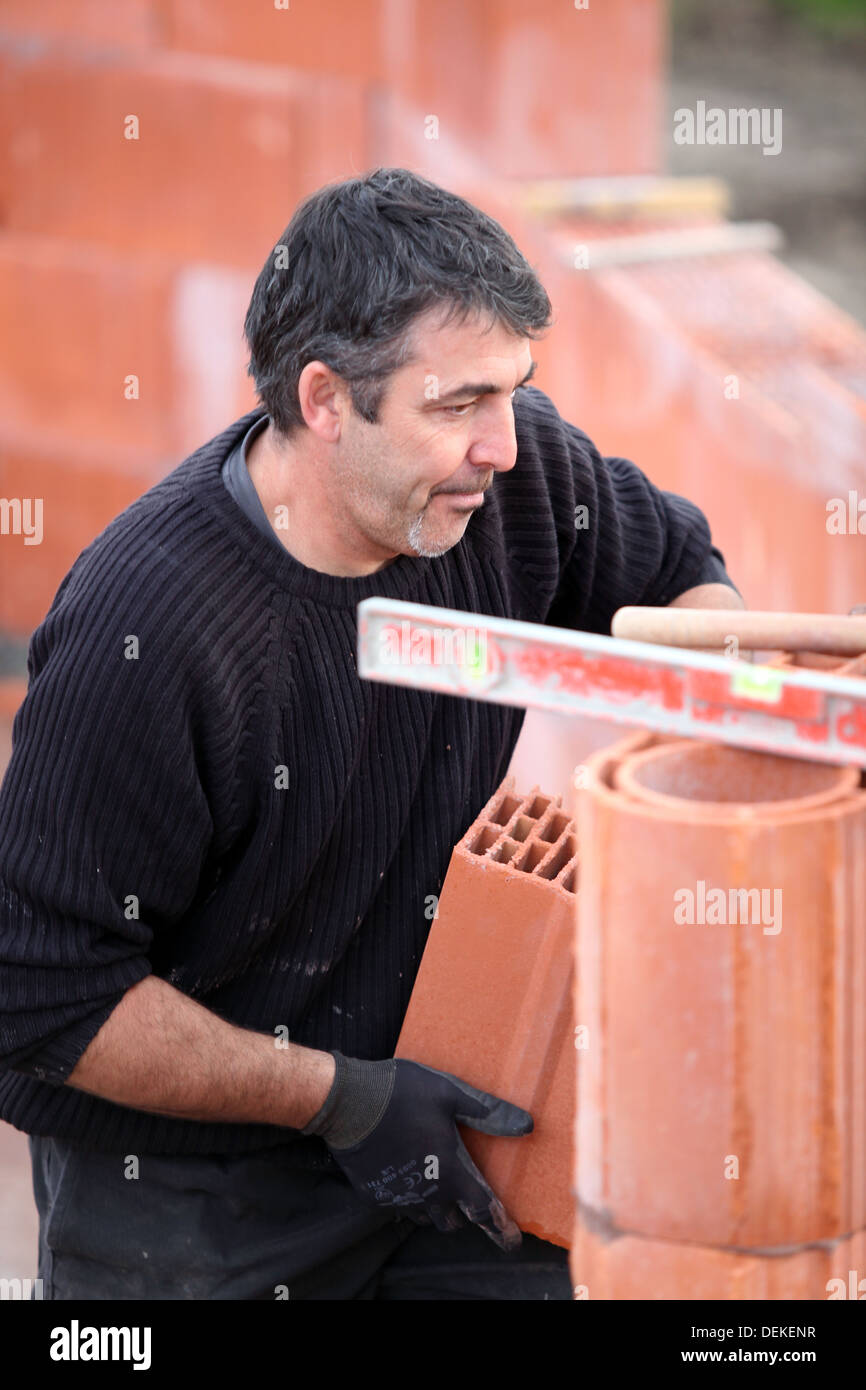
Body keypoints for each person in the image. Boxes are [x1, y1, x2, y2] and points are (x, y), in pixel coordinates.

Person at [0, 167, 744, 1301]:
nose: (502, 441)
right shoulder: (146, 630)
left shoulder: (507, 476)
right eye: (456, 405)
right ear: (325, 401)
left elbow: (674, 574)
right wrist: (342, 1097)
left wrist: (735, 717)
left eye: (514, 391)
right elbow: (43, 999)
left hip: (441, 1124)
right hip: (195, 1197)